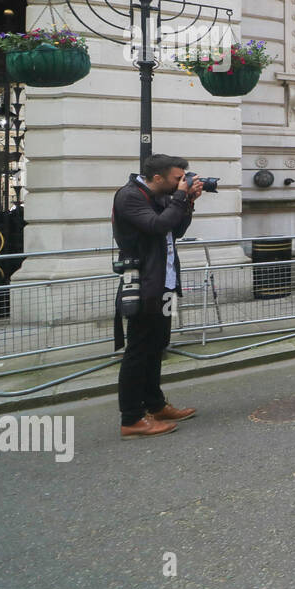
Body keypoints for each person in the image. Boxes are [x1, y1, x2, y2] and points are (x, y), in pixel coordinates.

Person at [111, 154, 202, 439]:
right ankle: (132, 418)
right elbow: (157, 226)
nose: (182, 183)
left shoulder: (161, 195)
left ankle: (156, 405)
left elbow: (176, 229)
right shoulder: (130, 197)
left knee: (157, 345)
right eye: (177, 179)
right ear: (158, 177)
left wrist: (188, 202)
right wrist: (180, 197)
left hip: (166, 283)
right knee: (138, 350)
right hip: (145, 285)